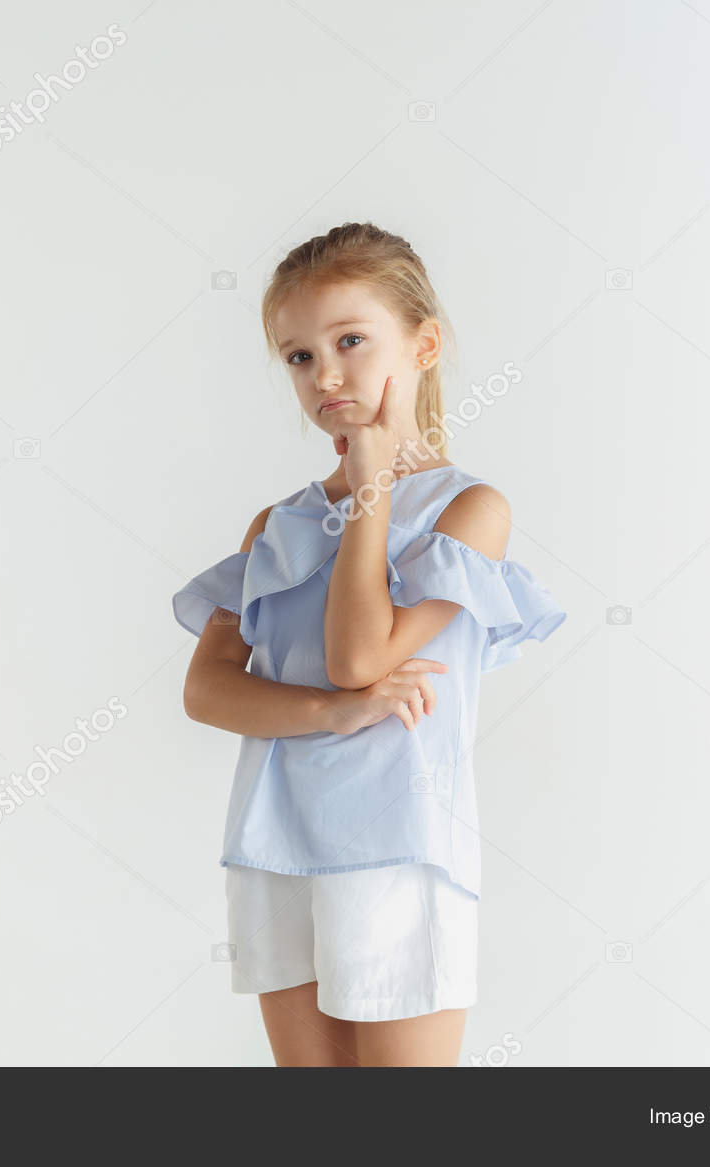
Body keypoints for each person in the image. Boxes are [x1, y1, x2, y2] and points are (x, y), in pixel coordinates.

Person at [173, 221, 565, 1066]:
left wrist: (374, 483)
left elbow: (361, 654)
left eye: (350, 340)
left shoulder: (467, 512)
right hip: (276, 849)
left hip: (399, 850)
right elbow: (207, 688)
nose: (327, 375)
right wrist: (330, 713)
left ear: (423, 344)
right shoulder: (276, 525)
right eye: (300, 356)